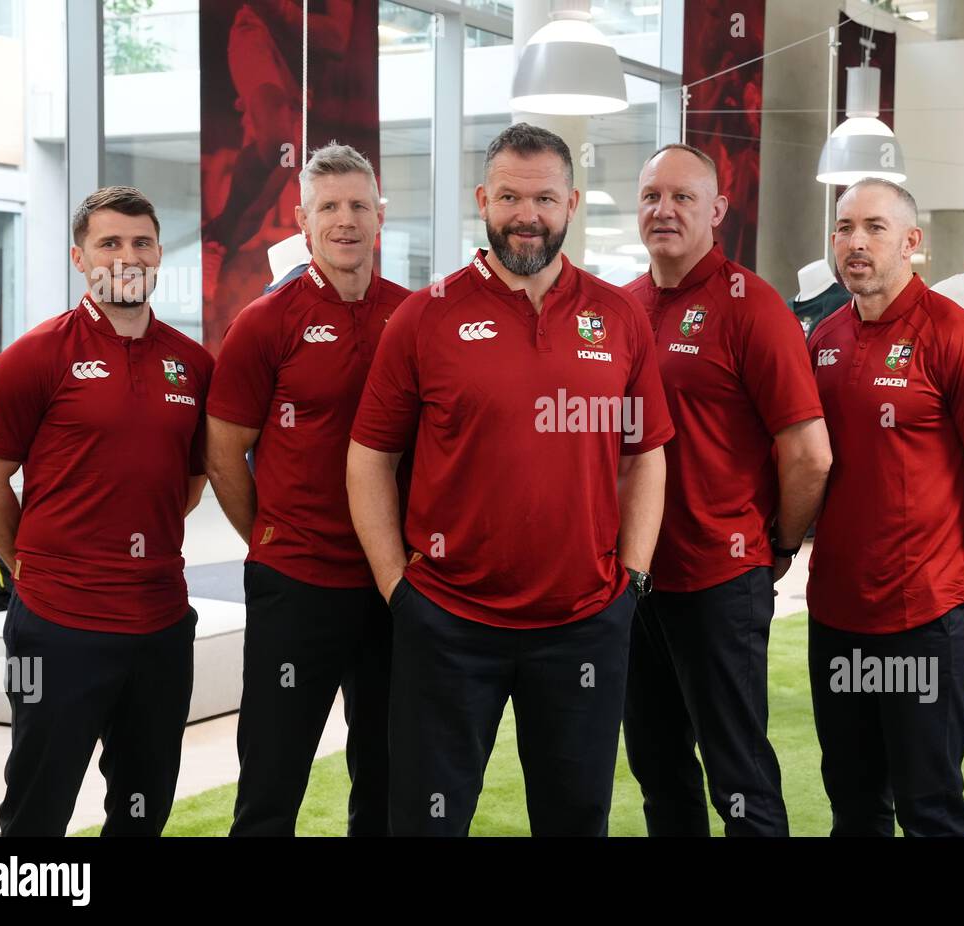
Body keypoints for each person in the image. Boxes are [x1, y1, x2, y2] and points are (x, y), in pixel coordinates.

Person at [347, 123, 673, 836]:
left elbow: (645, 454)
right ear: (482, 200)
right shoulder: (423, 318)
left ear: (572, 203)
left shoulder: (617, 318)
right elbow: (371, 455)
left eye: (545, 198)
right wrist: (396, 588)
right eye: (510, 197)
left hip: (585, 622)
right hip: (447, 621)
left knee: (576, 817)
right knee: (425, 820)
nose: (527, 215)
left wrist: (634, 581)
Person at [0, 186, 213, 836]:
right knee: (38, 811)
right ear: (80, 257)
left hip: (161, 628)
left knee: (143, 807)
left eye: (141, 242)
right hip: (55, 628)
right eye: (109, 243)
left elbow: (185, 484)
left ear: (159, 254)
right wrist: (31, 565)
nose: (126, 256)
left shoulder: (194, 365)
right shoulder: (34, 357)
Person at [806, 177, 964, 836]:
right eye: (845, 227)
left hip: (925, 616)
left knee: (929, 807)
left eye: (874, 228)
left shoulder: (959, 339)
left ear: (912, 242)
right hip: (836, 614)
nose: (855, 242)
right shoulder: (825, 339)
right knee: (853, 803)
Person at [622, 144, 832, 836]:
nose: (665, 210)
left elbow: (808, 453)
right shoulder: (621, 307)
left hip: (719, 576)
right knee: (657, 767)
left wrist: (779, 545)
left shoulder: (753, 307)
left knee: (737, 770)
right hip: (630, 579)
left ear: (715, 211)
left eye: (683, 197)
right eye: (653, 195)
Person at [206, 143, 410, 837]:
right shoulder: (265, 322)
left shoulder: (413, 319)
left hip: (393, 585)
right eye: (329, 207)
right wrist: (267, 531)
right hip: (294, 586)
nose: (345, 220)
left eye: (359, 205)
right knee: (271, 779)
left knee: (388, 777)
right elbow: (222, 448)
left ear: (381, 216)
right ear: (303, 218)